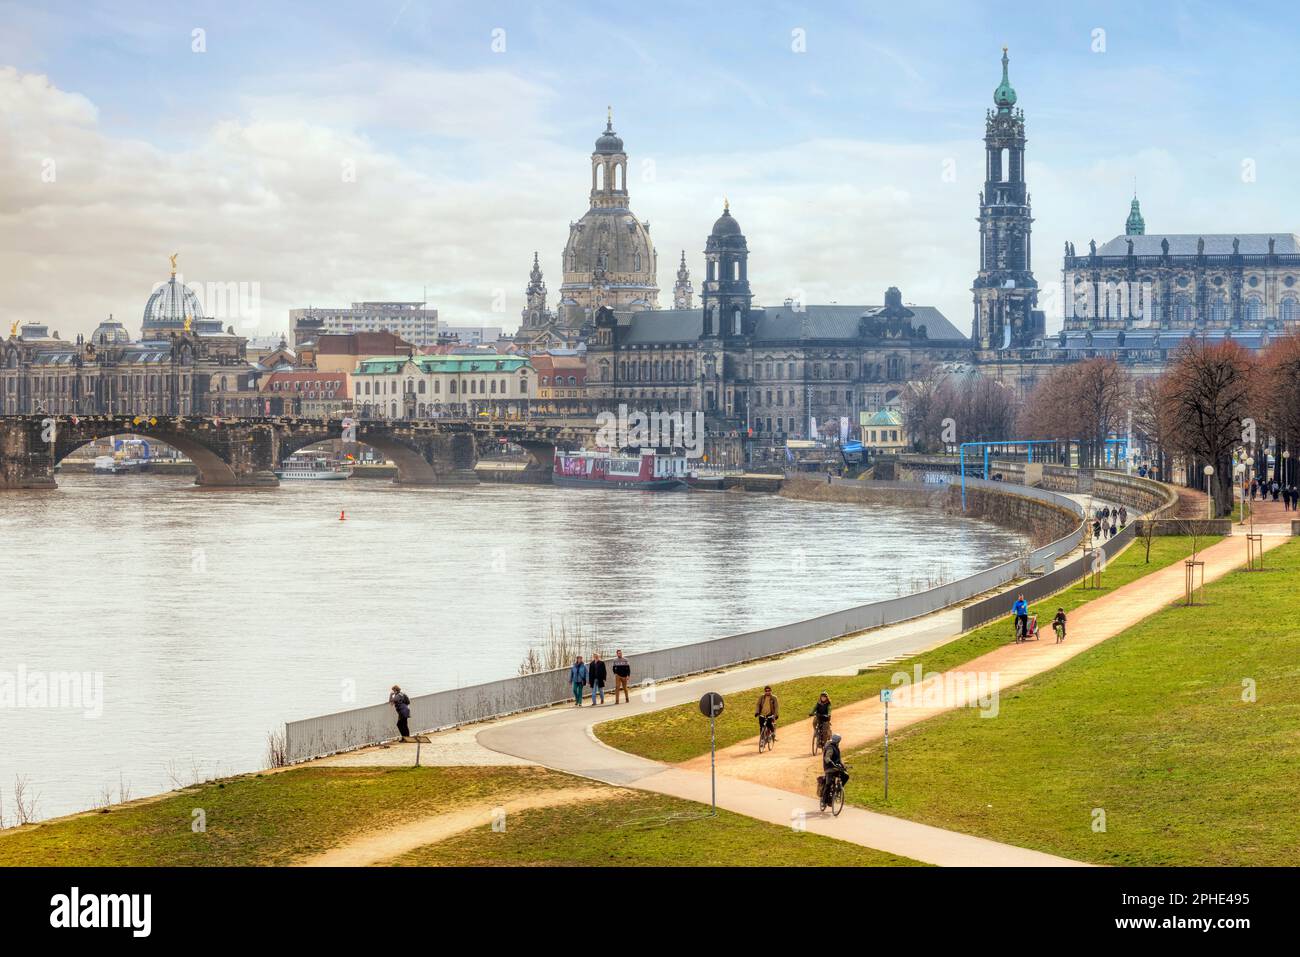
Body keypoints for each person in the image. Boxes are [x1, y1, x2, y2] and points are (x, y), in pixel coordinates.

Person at [820, 733, 849, 807]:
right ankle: (823, 800)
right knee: (828, 783)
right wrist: (831, 762)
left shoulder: (836, 747)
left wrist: (844, 766)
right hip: (829, 768)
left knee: (846, 776)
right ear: (838, 741)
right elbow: (827, 757)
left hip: (836, 768)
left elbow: (838, 760)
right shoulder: (830, 748)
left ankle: (839, 790)